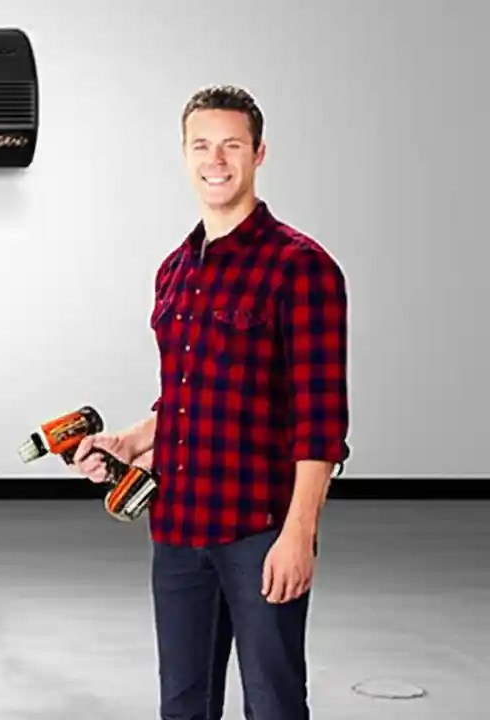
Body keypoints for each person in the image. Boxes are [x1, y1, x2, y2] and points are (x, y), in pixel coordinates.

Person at [71, 84, 350, 720]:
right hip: (176, 529)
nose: (215, 159)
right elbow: (190, 393)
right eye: (202, 145)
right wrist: (133, 440)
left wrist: (298, 533)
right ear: (185, 154)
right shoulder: (175, 269)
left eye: (231, 145)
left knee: (274, 704)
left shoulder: (300, 267)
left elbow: (322, 418)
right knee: (182, 705)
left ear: (258, 153)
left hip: (258, 530)